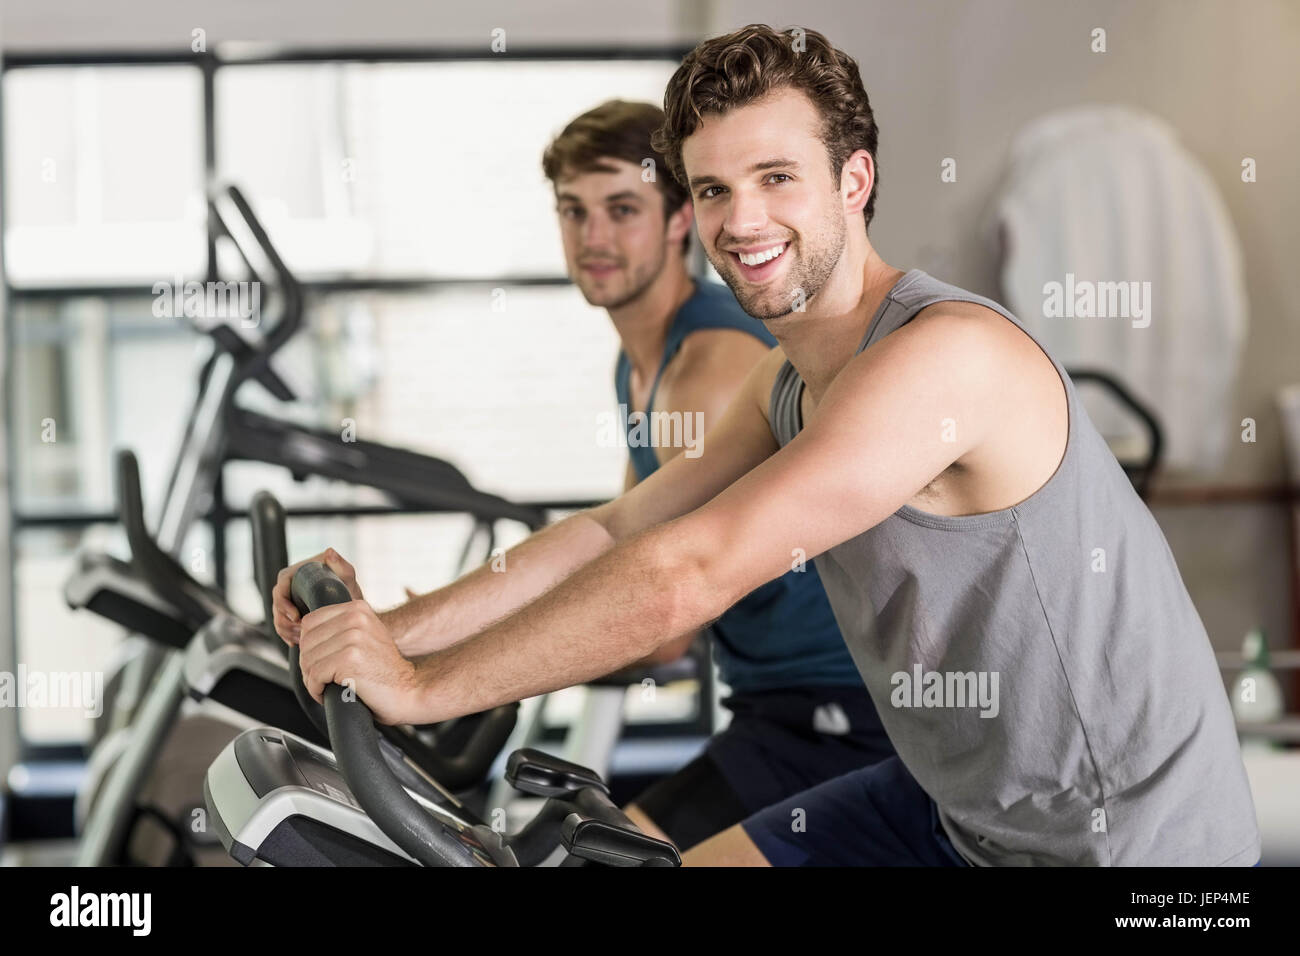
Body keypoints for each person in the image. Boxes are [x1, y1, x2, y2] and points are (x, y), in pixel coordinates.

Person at [273, 24, 1260, 866]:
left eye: (775, 178)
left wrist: (423, 689)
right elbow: (619, 526)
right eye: (711, 191)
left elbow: (683, 575)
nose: (741, 221)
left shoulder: (947, 357)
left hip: (1121, 848)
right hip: (952, 805)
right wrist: (390, 634)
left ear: (853, 180)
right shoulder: (783, 381)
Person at [535, 99, 895, 850]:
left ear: (676, 224)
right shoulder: (639, 366)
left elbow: (661, 624)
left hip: (842, 719)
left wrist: (461, 668)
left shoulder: (707, 367)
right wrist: (447, 629)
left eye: (621, 209)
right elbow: (619, 533)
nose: (593, 238)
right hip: (774, 709)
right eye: (574, 211)